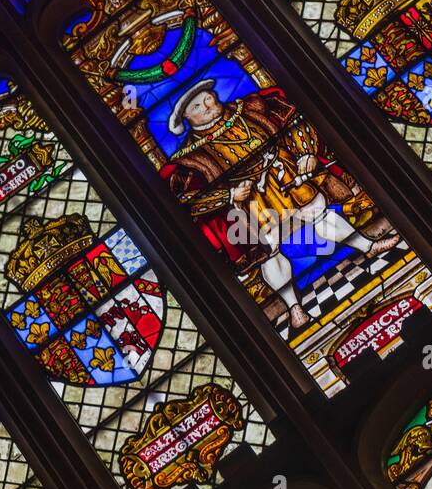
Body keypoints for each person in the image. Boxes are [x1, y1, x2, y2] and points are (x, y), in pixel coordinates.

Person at [162, 79, 399, 332]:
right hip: (251, 200)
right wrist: (230, 195)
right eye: (197, 106)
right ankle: (294, 308)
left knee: (319, 215)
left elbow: (294, 120)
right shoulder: (190, 157)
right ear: (186, 118)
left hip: (284, 172)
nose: (207, 105)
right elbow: (188, 202)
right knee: (270, 251)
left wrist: (304, 153)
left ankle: (369, 246)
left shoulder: (251, 107)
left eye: (207, 97)